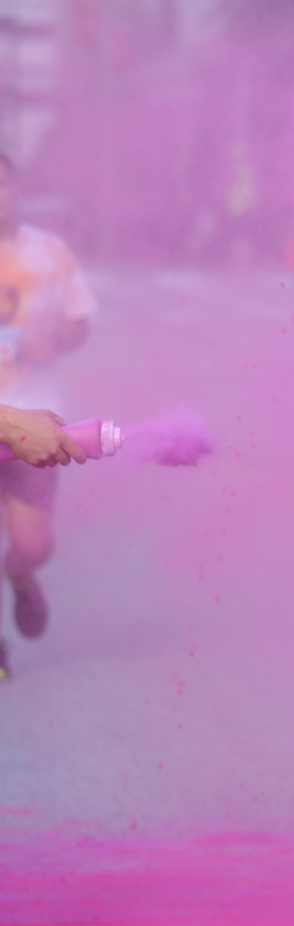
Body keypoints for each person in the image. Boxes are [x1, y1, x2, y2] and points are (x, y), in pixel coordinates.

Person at [0, 153, 96, 679]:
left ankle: (19, 578)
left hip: (35, 425)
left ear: (16, 189)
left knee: (30, 546)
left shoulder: (49, 253)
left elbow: (80, 323)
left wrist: (53, 339)